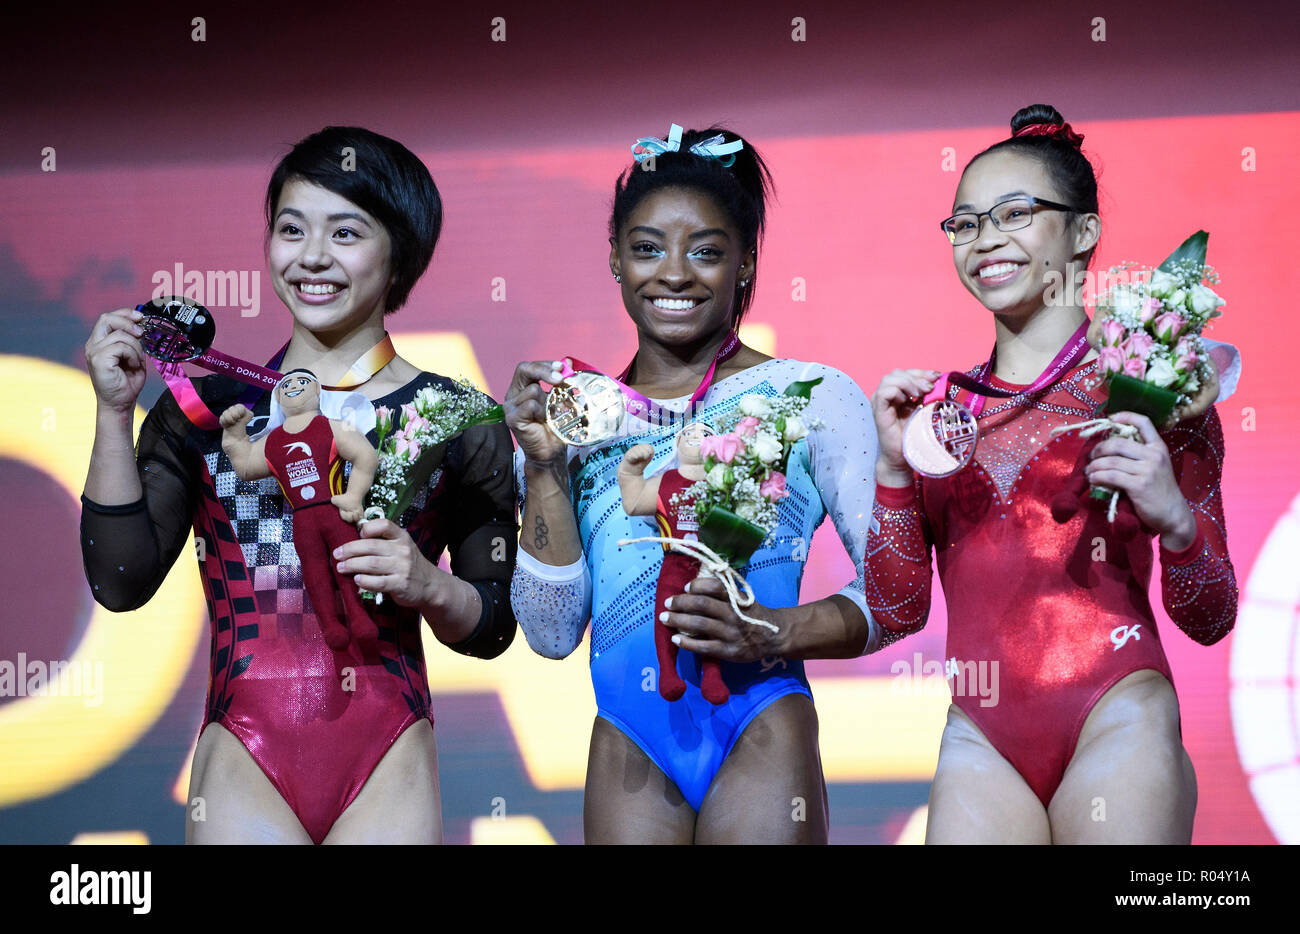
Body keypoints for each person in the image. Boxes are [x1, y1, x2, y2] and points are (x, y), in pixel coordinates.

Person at [80, 126, 517, 844]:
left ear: (400, 252)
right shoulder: (208, 408)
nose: (312, 257)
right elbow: (120, 580)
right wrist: (112, 410)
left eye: (346, 233)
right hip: (244, 751)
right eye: (291, 229)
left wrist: (431, 587)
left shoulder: (459, 420)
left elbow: (494, 625)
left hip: (390, 752)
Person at [864, 105, 1239, 844]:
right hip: (980, 735)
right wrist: (891, 471)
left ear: (1084, 232)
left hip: (1118, 714)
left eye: (1014, 213)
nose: (985, 239)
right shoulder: (936, 416)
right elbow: (899, 612)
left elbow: (1211, 616)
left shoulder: (1158, 390)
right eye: (965, 223)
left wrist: (1177, 522)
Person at [505, 124, 882, 844]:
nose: (673, 273)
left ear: (744, 265)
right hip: (630, 736)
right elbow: (552, 635)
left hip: (759, 715)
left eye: (705, 252)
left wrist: (772, 631)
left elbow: (895, 595)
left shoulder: (811, 394)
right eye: (647, 248)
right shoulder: (574, 425)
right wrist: (546, 466)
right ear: (615, 259)